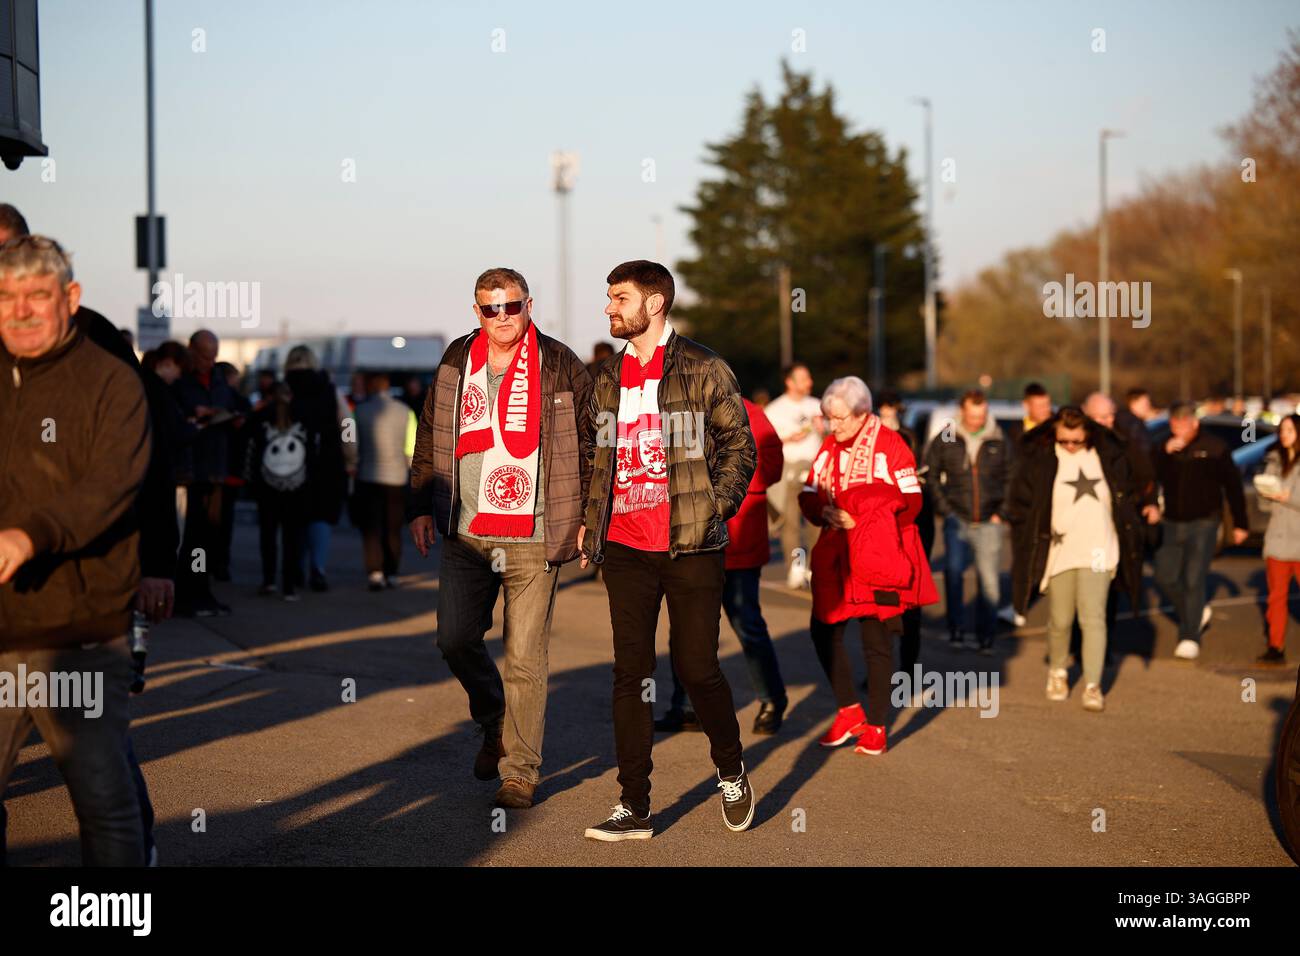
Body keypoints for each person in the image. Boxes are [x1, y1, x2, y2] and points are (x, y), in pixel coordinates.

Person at [580, 260, 757, 840]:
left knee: (697, 668)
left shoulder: (704, 367)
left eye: (619, 298)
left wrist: (713, 507)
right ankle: (634, 805)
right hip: (625, 547)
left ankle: (729, 767)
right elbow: (593, 456)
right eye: (609, 297)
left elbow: (740, 448)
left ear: (653, 304)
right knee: (629, 672)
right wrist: (590, 521)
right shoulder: (606, 377)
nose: (610, 308)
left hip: (690, 545)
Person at [408, 267, 593, 810]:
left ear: (528, 305)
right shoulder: (456, 360)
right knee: (454, 639)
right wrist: (420, 504)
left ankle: (520, 772)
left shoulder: (559, 362)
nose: (502, 318)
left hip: (535, 533)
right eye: (491, 309)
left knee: (526, 658)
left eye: (511, 306)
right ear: (477, 312)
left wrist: (583, 515)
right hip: (466, 532)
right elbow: (431, 433)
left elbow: (589, 444)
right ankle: (493, 720)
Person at [0, 235, 150, 865]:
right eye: (6, 297)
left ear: (70, 298)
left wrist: (30, 533)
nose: (22, 310)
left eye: (37, 295)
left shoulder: (110, 383)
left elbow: (110, 487)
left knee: (101, 801)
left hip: (78, 632)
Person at [798, 377, 937, 754]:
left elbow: (913, 502)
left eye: (841, 418)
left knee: (877, 640)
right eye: (828, 418)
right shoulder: (828, 447)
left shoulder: (891, 445)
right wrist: (821, 509)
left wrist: (866, 517)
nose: (833, 425)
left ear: (863, 414)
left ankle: (877, 725)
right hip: (836, 551)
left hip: (878, 552)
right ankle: (848, 709)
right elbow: (809, 491)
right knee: (822, 629)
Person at [656, 396, 789, 736]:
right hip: (694, 537)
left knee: (747, 623)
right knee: (686, 627)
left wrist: (730, 489)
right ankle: (685, 705)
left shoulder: (751, 413)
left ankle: (772, 699)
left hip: (739, 534)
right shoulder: (683, 410)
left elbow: (772, 465)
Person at [1007, 406, 1143, 711]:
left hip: (1098, 548)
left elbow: (1134, 478)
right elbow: (1020, 503)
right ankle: (1057, 672)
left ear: (1088, 436)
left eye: (1076, 441)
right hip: (1059, 550)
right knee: (1060, 620)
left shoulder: (1106, 457)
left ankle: (1093, 686)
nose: (1070, 446)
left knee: (1093, 617)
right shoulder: (1042, 461)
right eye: (1064, 440)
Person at [1152, 401, 1249, 660]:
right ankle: (1194, 613)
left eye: (1182, 425)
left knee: (1194, 578)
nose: (1178, 430)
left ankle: (1189, 635)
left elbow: (1233, 486)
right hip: (1172, 521)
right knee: (1164, 574)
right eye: (1174, 426)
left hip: (1205, 522)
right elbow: (1150, 477)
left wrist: (1240, 523)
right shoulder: (1164, 446)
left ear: (1194, 423)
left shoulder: (1215, 447)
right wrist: (1164, 452)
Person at [925, 389, 1012, 652]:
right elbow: (930, 473)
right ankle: (956, 631)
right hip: (957, 518)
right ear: (962, 412)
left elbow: (1012, 478)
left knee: (989, 581)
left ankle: (987, 637)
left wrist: (1001, 513)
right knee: (953, 574)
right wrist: (945, 509)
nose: (977, 420)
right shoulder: (948, 436)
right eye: (973, 415)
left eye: (982, 415)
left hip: (989, 521)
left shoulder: (998, 438)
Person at [172, 328, 239, 616]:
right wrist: (195, 413)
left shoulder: (220, 381)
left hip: (215, 467)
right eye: (204, 356)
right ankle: (188, 591)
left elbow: (236, 404)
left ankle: (202, 589)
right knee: (192, 537)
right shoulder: (180, 383)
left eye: (213, 357)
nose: (209, 363)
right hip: (192, 468)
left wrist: (231, 416)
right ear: (192, 352)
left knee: (209, 535)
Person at [283, 345, 355, 591]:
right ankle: (318, 567)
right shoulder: (330, 389)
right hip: (327, 462)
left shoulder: (284, 389)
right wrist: (350, 457)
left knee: (296, 517)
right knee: (321, 515)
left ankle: (296, 568)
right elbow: (347, 424)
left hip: (290, 463)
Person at [877, 388, 934, 677]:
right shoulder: (869, 440)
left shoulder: (910, 438)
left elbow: (919, 486)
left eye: (892, 412)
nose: (887, 418)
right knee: (883, 603)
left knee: (910, 603)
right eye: (883, 412)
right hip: (881, 530)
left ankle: (908, 668)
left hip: (910, 526)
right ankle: (882, 668)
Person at [245, 381, 313, 600]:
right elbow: (313, 450)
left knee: (268, 534)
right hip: (297, 488)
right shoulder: (304, 416)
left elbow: (251, 449)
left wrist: (251, 481)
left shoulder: (260, 416)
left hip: (267, 487)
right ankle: (290, 586)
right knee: (292, 537)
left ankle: (269, 580)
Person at [354, 372, 417, 590]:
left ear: (371, 386)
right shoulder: (405, 412)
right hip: (396, 479)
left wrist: (353, 463)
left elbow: (350, 443)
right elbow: (413, 446)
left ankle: (375, 571)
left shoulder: (358, 411)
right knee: (393, 528)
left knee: (371, 527)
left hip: (367, 476)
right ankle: (392, 572)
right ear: (388, 386)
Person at [764, 362, 824, 589]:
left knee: (816, 524)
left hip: (815, 471)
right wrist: (788, 439)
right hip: (788, 471)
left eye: (809, 378)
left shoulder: (818, 406)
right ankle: (796, 568)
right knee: (791, 526)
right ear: (790, 382)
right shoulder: (775, 409)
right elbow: (765, 443)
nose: (809, 382)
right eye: (803, 378)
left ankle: (816, 568)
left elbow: (832, 437)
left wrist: (823, 429)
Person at [1258, 414, 1300, 665]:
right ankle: (1276, 645)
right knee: (1276, 597)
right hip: (1277, 539)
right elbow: (1264, 505)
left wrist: (1289, 498)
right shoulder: (1273, 461)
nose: (1284, 434)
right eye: (1281, 429)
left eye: (1289, 429)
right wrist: (1267, 493)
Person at [213, 360, 250, 583]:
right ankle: (220, 564)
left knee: (209, 524)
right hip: (231, 468)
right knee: (224, 523)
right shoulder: (237, 400)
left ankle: (205, 566)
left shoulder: (219, 397)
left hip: (217, 468)